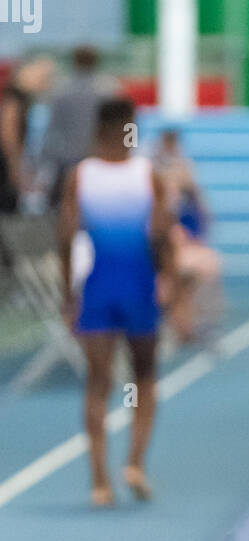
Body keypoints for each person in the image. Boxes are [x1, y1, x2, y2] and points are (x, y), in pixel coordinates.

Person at [58, 98, 173, 506]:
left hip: (98, 288)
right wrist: (168, 281)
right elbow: (162, 235)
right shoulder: (148, 175)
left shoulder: (81, 176)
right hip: (138, 286)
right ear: (130, 129)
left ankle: (100, 482)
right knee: (142, 378)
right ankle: (135, 463)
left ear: (96, 130)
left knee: (98, 383)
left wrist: (66, 295)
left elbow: (66, 238)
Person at [151, 128, 222, 343]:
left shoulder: (187, 188)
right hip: (161, 255)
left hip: (179, 249)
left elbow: (201, 219)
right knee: (177, 278)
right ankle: (181, 323)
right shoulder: (156, 184)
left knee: (204, 267)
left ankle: (193, 322)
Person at [40, 45, 119, 208]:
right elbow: (120, 127)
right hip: (98, 157)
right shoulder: (109, 90)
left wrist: (44, 159)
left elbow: (53, 129)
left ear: (74, 62)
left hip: (68, 160)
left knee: (65, 207)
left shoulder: (60, 91)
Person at [0, 57, 54, 214]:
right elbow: (9, 135)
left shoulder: (18, 99)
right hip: (7, 163)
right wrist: (15, 167)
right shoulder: (15, 99)